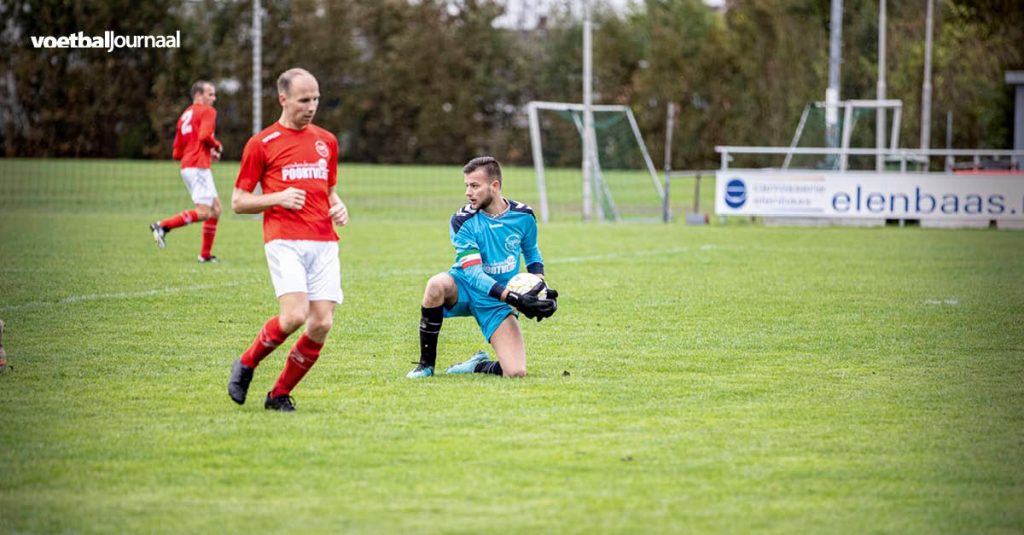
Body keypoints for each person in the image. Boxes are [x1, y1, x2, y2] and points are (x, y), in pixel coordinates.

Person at [226, 68, 349, 412]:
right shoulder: (261, 144)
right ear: (283, 99)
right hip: (284, 240)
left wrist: (338, 206)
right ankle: (248, 363)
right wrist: (276, 198)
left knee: (322, 322)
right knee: (294, 316)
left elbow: (329, 191)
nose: (311, 106)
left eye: (316, 99)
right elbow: (238, 201)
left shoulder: (327, 141)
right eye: (304, 100)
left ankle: (278, 393)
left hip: (324, 240)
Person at [406, 156, 558, 379]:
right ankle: (426, 366)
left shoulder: (524, 216)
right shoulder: (462, 220)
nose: (468, 192)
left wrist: (540, 286)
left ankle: (478, 365)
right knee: (436, 285)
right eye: (467, 185)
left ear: (494, 186)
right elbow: (475, 274)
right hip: (465, 286)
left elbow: (532, 252)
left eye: (474, 186)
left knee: (516, 372)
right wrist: (514, 298)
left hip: (496, 301)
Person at [150, 80, 224, 262]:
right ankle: (162, 225)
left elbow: (176, 152)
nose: (214, 98)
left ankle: (205, 255)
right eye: (210, 94)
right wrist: (217, 146)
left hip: (189, 166)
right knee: (204, 212)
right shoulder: (207, 111)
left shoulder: (184, 115)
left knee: (216, 209)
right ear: (198, 95)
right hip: (198, 167)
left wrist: (204, 152)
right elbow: (205, 136)